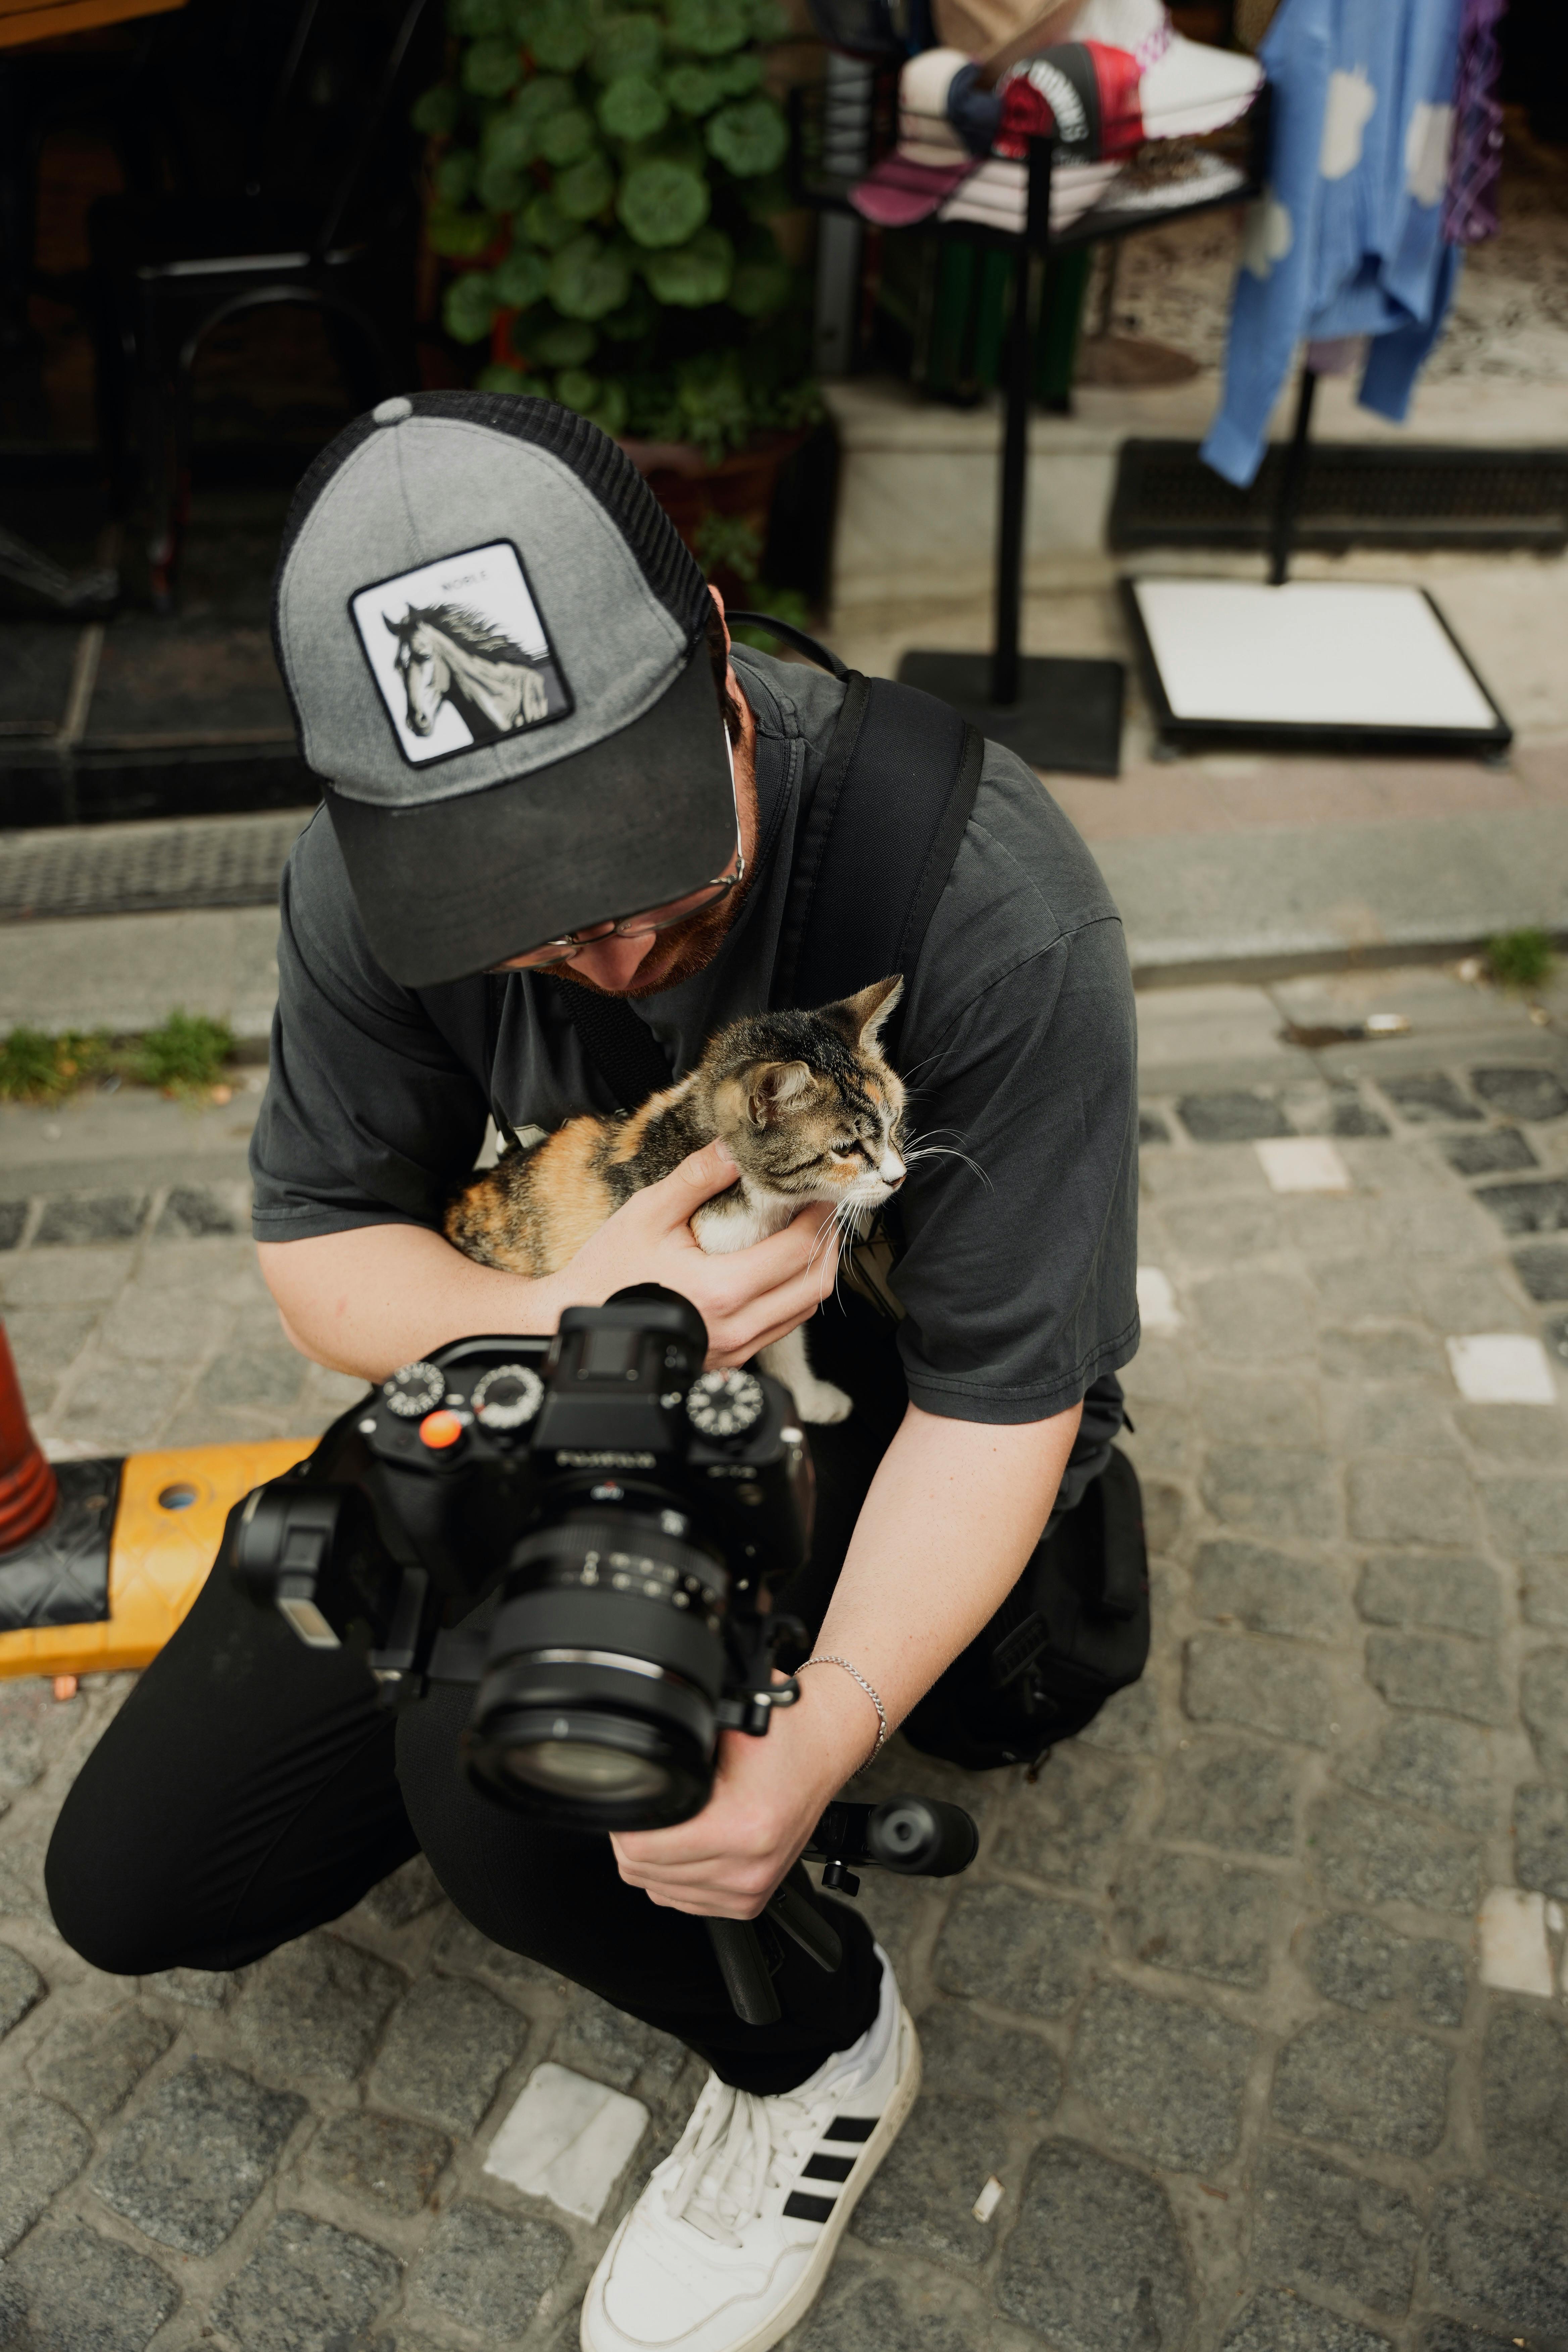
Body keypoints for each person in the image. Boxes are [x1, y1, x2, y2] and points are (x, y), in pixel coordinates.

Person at [45, 391, 1138, 2352]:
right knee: (138, 1889)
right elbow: (322, 1252)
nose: (618, 951)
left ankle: (820, 2051)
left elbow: (997, 1404)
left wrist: (827, 1728)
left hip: (876, 1423)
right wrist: (572, 1331)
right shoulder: (364, 888)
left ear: (719, 653)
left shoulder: (987, 903)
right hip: (561, 1355)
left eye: (658, 881)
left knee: (526, 1781)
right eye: (531, 919)